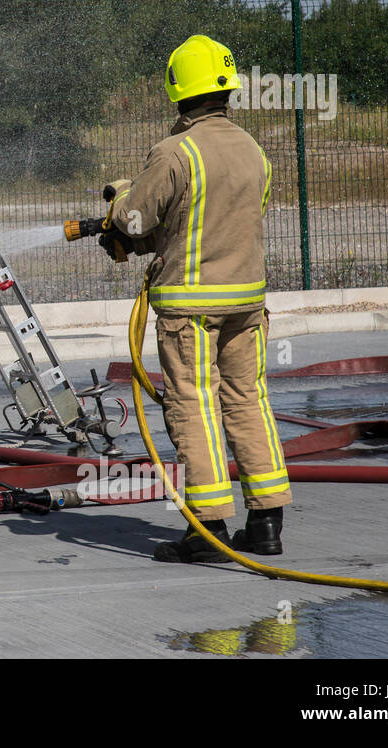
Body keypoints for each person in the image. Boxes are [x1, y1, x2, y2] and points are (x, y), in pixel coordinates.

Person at [103, 34, 292, 562]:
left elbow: (135, 220)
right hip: (249, 304)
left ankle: (207, 532)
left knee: (194, 407)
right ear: (226, 88)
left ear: (175, 89)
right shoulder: (253, 150)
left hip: (190, 308)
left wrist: (120, 204)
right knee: (247, 399)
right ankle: (267, 525)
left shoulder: (174, 151)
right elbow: (227, 215)